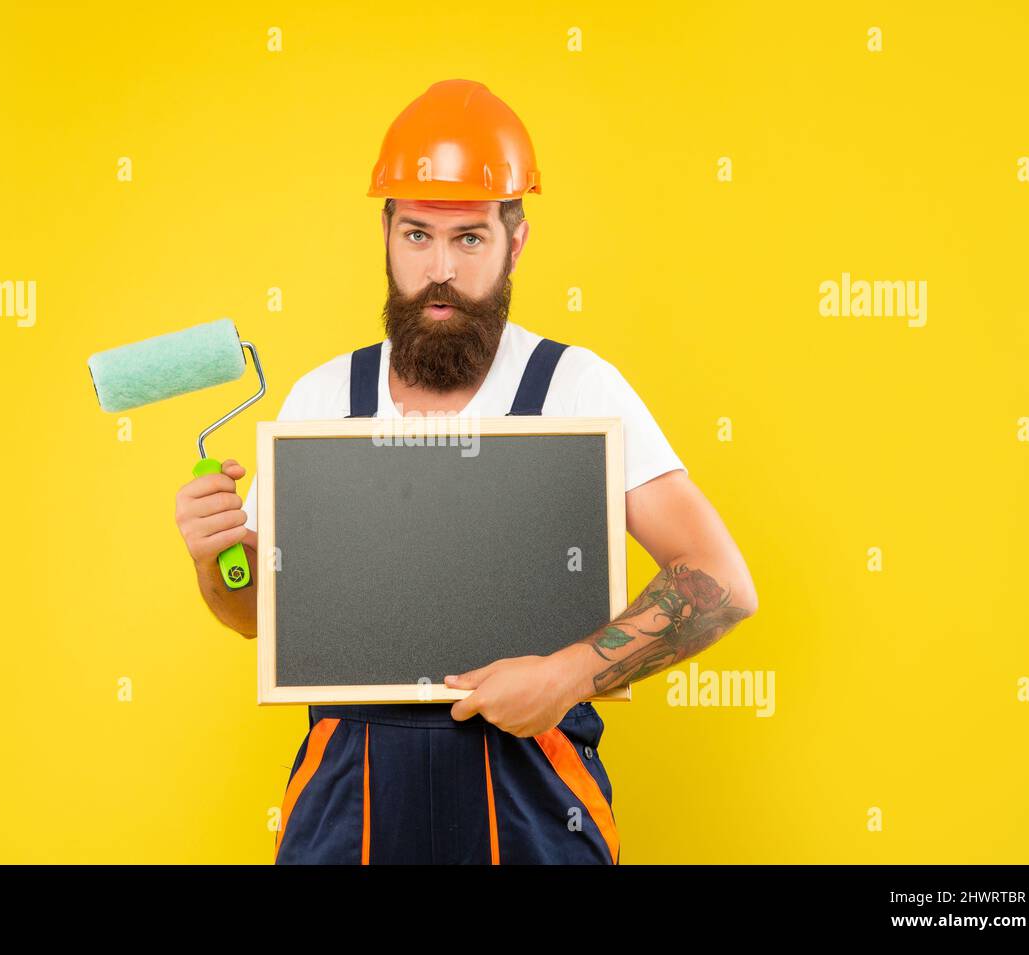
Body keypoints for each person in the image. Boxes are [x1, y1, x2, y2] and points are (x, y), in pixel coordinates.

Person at [174, 79, 758, 864]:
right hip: (348, 798)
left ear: (517, 241)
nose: (439, 269)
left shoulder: (576, 388)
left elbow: (719, 580)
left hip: (535, 792)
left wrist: (571, 674)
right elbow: (257, 620)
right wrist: (218, 561)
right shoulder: (322, 400)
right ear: (384, 234)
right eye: (417, 235)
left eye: (470, 238)